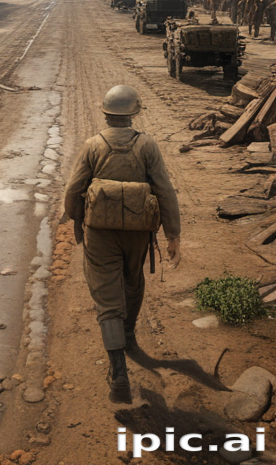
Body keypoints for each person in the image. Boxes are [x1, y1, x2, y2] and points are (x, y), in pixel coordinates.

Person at [64, 85, 181, 405]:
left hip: (101, 233)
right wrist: (173, 236)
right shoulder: (147, 146)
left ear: (106, 113)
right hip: (137, 233)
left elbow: (74, 188)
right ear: (133, 114)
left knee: (107, 298)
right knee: (133, 281)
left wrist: (75, 219)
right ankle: (128, 334)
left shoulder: (92, 145)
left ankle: (118, 372)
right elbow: (165, 191)